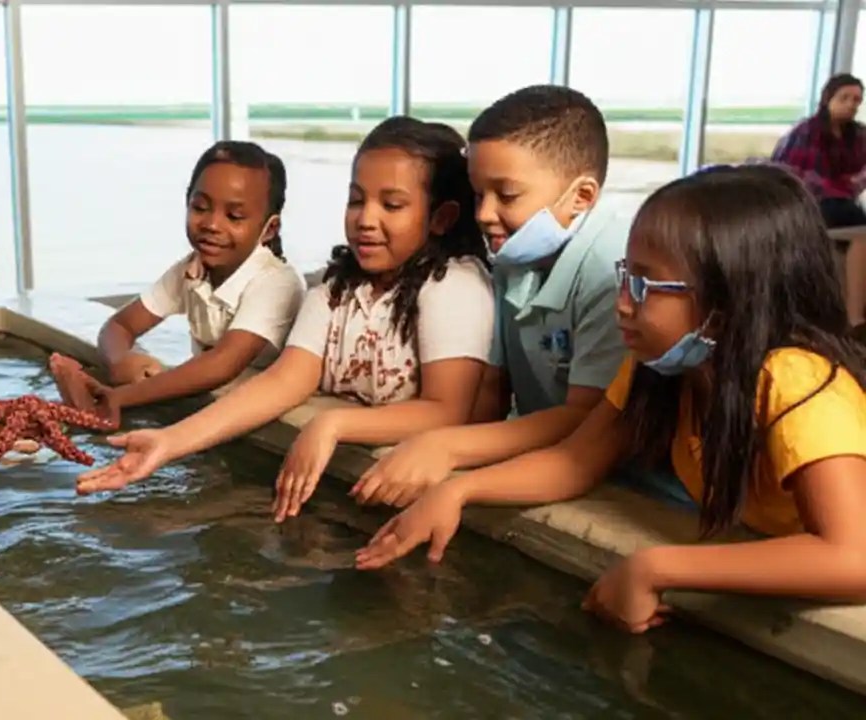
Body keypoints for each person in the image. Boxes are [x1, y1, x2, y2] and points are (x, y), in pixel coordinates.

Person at [356, 164, 866, 634]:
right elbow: (573, 462)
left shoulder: (797, 380)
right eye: (627, 275)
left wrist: (655, 567)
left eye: (645, 286)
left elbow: (854, 557)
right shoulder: (664, 366)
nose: (622, 303)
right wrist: (457, 492)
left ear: (730, 302)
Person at [76, 116, 496, 521]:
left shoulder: (453, 284)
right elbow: (282, 382)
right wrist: (169, 442)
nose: (366, 219)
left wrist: (332, 424)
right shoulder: (336, 291)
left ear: (441, 217)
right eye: (356, 199)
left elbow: (446, 410)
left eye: (392, 205)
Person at [352, 85, 635, 508]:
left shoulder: (611, 272)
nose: (484, 214)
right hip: (539, 452)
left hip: (616, 476)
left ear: (581, 197)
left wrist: (447, 447)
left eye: (507, 195)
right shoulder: (512, 258)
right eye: (478, 193)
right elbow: (491, 391)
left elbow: (586, 418)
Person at [49, 141, 305, 424]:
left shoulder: (278, 283)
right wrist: (122, 360)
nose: (212, 224)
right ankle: (82, 405)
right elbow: (119, 325)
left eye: (234, 216)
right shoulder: (191, 269)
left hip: (259, 414)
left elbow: (222, 365)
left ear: (269, 229)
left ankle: (91, 407)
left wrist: (122, 397)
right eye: (200, 207)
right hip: (209, 399)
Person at [772, 73, 866, 329]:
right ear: (828, 99)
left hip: (839, 203)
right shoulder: (806, 132)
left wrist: (845, 185)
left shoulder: (857, 135)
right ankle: (854, 315)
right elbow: (795, 177)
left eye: (856, 100)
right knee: (858, 226)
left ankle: (854, 311)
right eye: (844, 98)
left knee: (855, 221)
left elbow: (860, 175)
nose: (851, 105)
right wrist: (843, 185)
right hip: (805, 202)